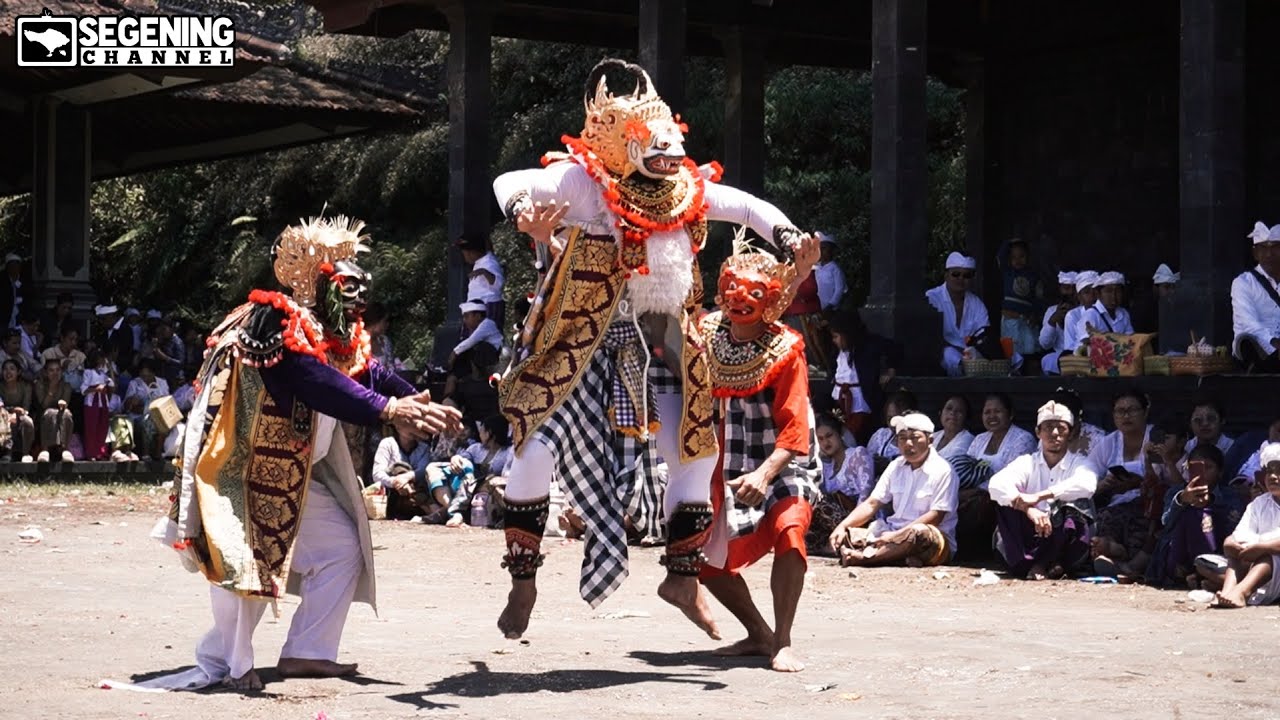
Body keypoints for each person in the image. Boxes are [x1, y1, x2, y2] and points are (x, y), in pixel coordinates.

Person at [490, 58, 814, 641]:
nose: (667, 156)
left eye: (671, 145)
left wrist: (788, 237)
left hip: (663, 350)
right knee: (533, 451)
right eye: (653, 145)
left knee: (697, 455)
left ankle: (683, 577)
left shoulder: (684, 190)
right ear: (622, 142)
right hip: (579, 347)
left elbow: (745, 207)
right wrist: (525, 217)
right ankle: (523, 578)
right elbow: (509, 182)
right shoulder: (586, 184)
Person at [143, 216, 460, 691]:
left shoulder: (325, 328)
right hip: (244, 469)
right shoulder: (274, 319)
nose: (355, 290)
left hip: (294, 473)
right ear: (316, 277)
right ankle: (232, 663)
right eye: (344, 277)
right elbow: (314, 382)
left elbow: (362, 372)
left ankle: (306, 652)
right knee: (245, 564)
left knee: (341, 550)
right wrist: (388, 409)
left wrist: (414, 400)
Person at [697, 240, 820, 673]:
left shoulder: (786, 349)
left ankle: (783, 640)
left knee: (790, 529)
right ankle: (758, 633)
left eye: (751, 293)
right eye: (731, 289)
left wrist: (765, 474)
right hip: (722, 456)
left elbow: (794, 423)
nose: (738, 299)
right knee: (698, 553)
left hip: (783, 457)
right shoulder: (707, 332)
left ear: (770, 300)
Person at [829, 412, 958, 567]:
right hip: (891, 532)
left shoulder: (944, 470)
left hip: (930, 539)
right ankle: (894, 556)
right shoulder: (895, 466)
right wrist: (843, 526)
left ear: (930, 440)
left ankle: (863, 558)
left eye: (915, 437)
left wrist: (897, 536)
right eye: (902, 438)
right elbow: (872, 503)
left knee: (919, 533)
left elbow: (937, 515)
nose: (908, 443)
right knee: (848, 536)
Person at [988, 400, 1098, 580]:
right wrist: (1028, 508)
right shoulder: (1027, 462)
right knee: (1006, 503)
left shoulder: (1080, 463)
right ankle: (1031, 564)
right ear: (1038, 432)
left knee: (1074, 508)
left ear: (1070, 433)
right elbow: (996, 485)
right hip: (1031, 535)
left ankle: (1045, 564)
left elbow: (1087, 484)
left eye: (1061, 428)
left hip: (1063, 539)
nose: (1054, 433)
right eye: (1048, 427)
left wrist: (1039, 496)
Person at [1146, 444, 1243, 588]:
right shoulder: (1176, 492)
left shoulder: (1229, 496)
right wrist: (1182, 500)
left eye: (1208, 468)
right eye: (1196, 468)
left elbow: (1234, 527)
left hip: (1214, 553)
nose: (1201, 474)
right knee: (1192, 514)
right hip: (1177, 554)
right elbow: (1166, 522)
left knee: (1201, 514)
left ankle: (1199, 574)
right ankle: (1188, 575)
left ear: (1220, 472)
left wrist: (1210, 505)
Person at [1214, 442, 1280, 608]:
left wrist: (1262, 547)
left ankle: (1242, 591)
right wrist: (1231, 543)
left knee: (1269, 557)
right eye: (1269, 471)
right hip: (1251, 558)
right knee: (1210, 561)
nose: (1273, 477)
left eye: (1279, 471)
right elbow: (1239, 535)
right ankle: (1228, 591)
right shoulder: (1259, 503)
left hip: (1271, 563)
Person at [827, 309, 897, 445]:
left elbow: (894, 349)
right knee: (838, 433)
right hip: (839, 400)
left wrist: (891, 369)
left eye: (836, 336)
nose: (834, 341)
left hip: (860, 402)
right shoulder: (837, 352)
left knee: (857, 435)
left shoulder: (870, 345)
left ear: (847, 334)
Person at [925, 252, 988, 377]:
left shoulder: (977, 304)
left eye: (967, 275)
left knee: (1014, 356)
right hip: (942, 352)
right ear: (946, 275)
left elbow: (983, 335)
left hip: (972, 355)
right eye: (956, 274)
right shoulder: (931, 298)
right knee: (950, 355)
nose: (961, 279)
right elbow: (930, 338)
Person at [1231, 221, 1280, 371]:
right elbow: (1249, 323)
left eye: (1275, 248)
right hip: (1256, 354)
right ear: (1255, 253)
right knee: (1248, 340)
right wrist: (1274, 342)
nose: (1269, 254)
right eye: (1263, 248)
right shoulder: (1243, 283)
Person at [998, 238, 1042, 357]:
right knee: (1011, 350)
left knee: (1029, 348)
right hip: (1010, 318)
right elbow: (1000, 256)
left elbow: (1038, 299)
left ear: (1028, 257)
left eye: (1021, 256)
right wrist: (1009, 242)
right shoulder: (1007, 272)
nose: (1017, 260)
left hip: (1027, 319)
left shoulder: (1033, 276)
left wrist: (1035, 315)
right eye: (1013, 257)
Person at [459, 237, 506, 329]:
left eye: (465, 254)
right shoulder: (480, 262)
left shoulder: (489, 263)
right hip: (475, 307)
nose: (465, 258)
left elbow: (498, 284)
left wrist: (484, 272)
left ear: (472, 253)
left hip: (487, 305)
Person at [33, 358, 74, 463]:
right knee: (50, 413)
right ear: (46, 373)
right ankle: (45, 449)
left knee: (67, 414)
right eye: (51, 370)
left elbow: (65, 403)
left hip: (60, 414)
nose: (55, 373)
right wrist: (51, 389)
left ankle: (64, 449)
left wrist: (63, 404)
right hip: (43, 417)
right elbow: (44, 405)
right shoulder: (39, 385)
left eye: (57, 370)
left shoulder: (66, 386)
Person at [1038, 271, 1078, 375]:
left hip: (1081, 355)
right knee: (1047, 360)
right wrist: (1052, 321)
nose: (1070, 293)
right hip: (1060, 356)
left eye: (1074, 289)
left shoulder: (1085, 310)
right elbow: (1044, 344)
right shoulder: (1052, 311)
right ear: (1060, 290)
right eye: (1067, 288)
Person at [1062, 271, 1100, 354]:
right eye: (1087, 292)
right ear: (1079, 297)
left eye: (1095, 291)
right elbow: (1069, 347)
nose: (1092, 295)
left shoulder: (1108, 312)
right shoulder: (1072, 316)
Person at [931, 394, 974, 461]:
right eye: (949, 408)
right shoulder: (934, 436)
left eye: (959, 410)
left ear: (966, 416)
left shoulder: (968, 440)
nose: (953, 412)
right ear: (940, 412)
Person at [813, 232, 846, 312]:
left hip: (830, 309)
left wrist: (831, 306)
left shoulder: (835, 269)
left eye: (824, 248)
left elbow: (840, 289)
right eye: (820, 248)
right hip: (816, 308)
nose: (821, 251)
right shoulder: (816, 267)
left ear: (831, 251)